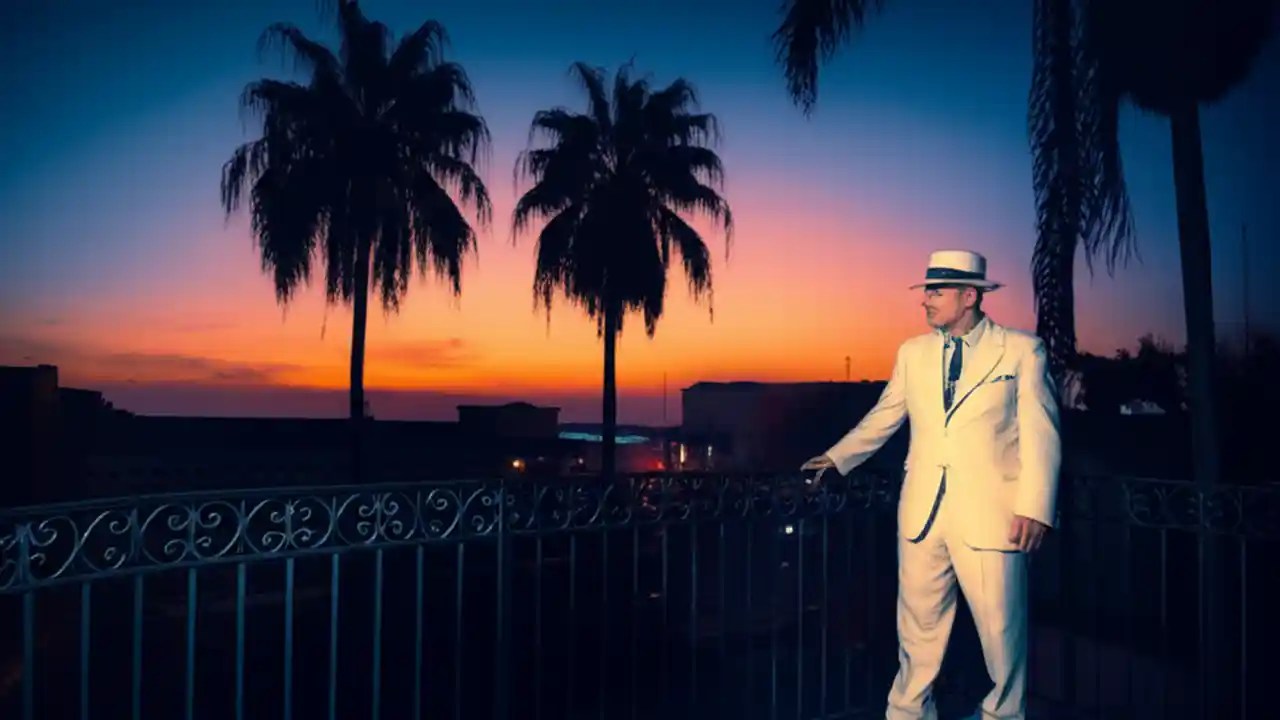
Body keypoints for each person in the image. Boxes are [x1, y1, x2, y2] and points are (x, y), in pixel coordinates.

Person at [801, 249, 1061, 720]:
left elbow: (1041, 433)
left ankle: (1003, 715)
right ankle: (908, 713)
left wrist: (1035, 507)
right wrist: (839, 457)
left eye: (936, 292)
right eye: (926, 291)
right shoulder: (912, 353)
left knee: (1002, 634)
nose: (925, 300)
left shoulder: (1022, 350)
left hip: (993, 516)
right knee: (917, 630)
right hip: (922, 513)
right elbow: (885, 415)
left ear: (969, 296)